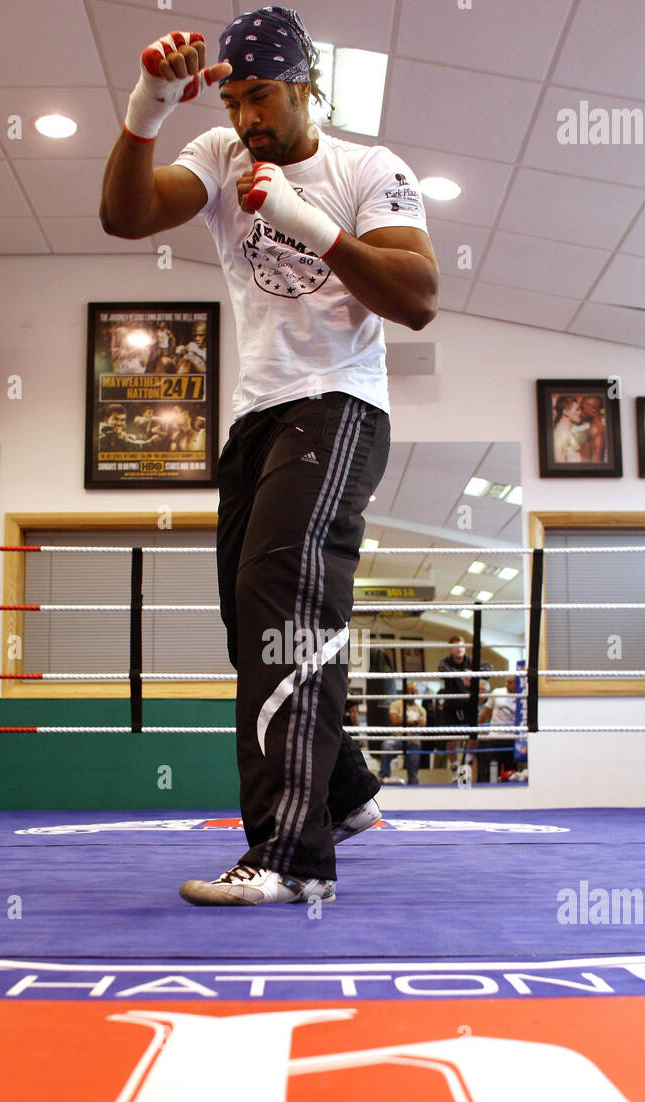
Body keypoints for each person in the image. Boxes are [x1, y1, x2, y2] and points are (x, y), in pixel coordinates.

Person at [101, 11, 439, 905]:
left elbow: (417, 299)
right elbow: (123, 215)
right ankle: (349, 789)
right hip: (256, 418)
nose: (249, 117)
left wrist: (311, 226)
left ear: (304, 87)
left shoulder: (369, 168)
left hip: (339, 406)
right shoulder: (216, 155)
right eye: (235, 99)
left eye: (263, 97)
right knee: (248, 619)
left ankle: (289, 855)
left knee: (281, 594)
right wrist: (148, 106)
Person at [437, 635, 473, 784]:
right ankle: (454, 770)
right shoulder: (445, 662)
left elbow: (488, 667)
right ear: (451, 649)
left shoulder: (471, 661)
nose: (460, 649)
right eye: (456, 646)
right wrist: (461, 676)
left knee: (473, 736)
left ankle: (465, 767)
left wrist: (472, 673)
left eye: (462, 646)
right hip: (451, 704)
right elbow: (441, 669)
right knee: (450, 739)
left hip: (468, 703)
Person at [380, 680, 426, 785]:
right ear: (404, 692)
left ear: (417, 693)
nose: (410, 694)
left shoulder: (421, 710)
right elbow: (395, 721)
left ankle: (413, 782)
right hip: (397, 738)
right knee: (387, 745)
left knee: (413, 763)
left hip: (412, 740)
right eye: (408, 692)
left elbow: (421, 726)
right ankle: (384, 776)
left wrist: (404, 721)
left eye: (413, 692)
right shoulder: (395, 704)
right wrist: (413, 722)